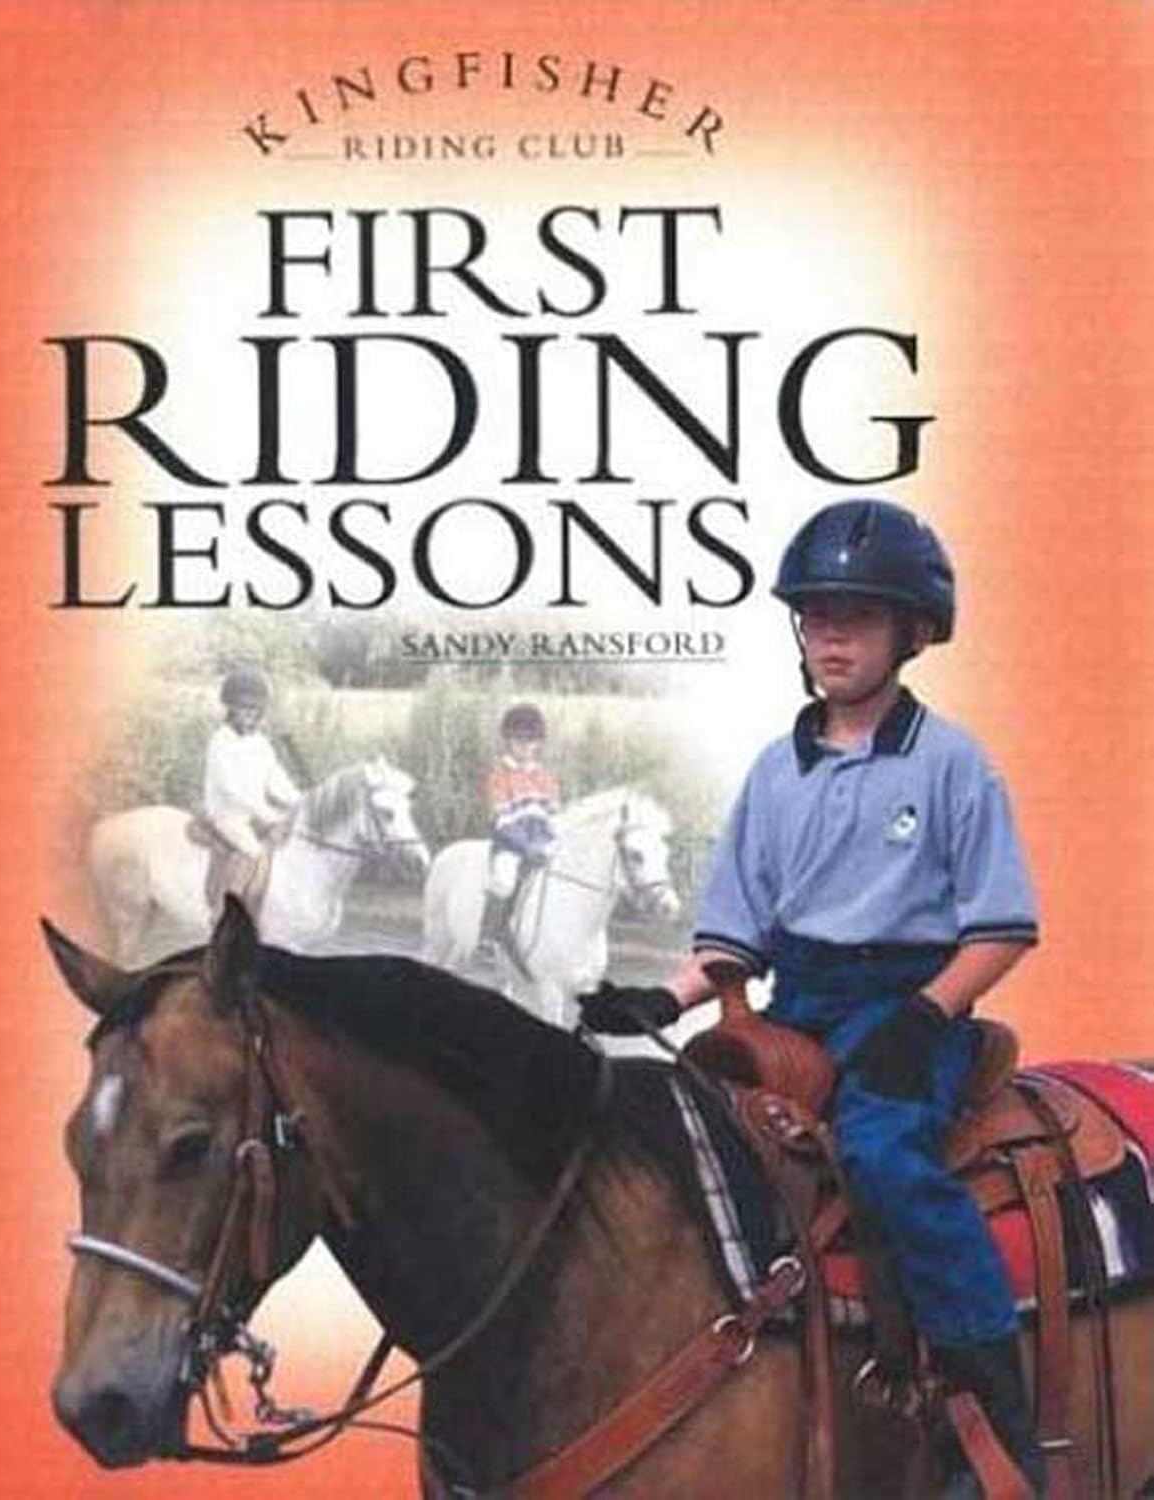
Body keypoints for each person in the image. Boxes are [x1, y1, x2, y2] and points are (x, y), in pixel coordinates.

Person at [579, 499, 1044, 1491]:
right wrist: (659, 1003)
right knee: (687, 1143)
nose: (832, 635)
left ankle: (987, 1385)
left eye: (860, 616)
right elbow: (733, 937)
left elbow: (1002, 924)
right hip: (799, 1004)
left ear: (913, 632)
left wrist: (926, 1017)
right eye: (817, 614)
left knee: (882, 1152)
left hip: (911, 1002)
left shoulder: (952, 763)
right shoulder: (774, 773)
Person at [202, 667, 301, 916]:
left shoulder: (261, 743)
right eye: (245, 708)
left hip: (255, 814)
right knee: (253, 851)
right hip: (227, 815)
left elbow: (276, 779)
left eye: (256, 709)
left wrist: (300, 800)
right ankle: (224, 914)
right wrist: (266, 813)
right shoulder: (220, 741)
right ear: (231, 708)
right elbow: (231, 787)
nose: (251, 714)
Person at [479, 703, 561, 952]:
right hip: (510, 845)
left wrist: (549, 844)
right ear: (509, 743)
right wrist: (526, 847)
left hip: (541, 844)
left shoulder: (546, 778)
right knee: (504, 879)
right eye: (519, 740)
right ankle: (490, 935)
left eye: (531, 741)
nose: (525, 746)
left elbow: (552, 818)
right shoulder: (499, 776)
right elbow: (502, 821)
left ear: (538, 744)